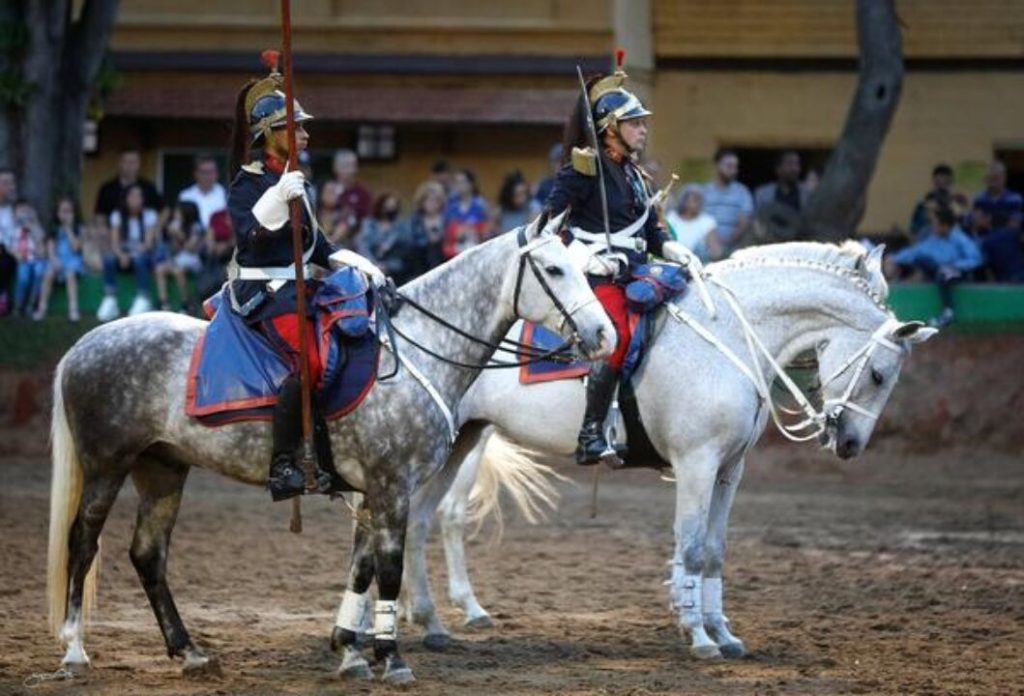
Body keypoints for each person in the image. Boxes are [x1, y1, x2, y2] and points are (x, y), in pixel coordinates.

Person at [227, 56, 383, 501]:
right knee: (311, 361)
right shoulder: (250, 182)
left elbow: (320, 248)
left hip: (302, 286)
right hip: (262, 289)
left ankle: (334, 453)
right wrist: (277, 199)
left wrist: (358, 264)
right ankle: (282, 465)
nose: (305, 134)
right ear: (271, 134)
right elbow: (250, 239)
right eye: (296, 127)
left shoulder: (299, 180)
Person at [545, 64, 695, 466]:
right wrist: (587, 255)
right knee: (616, 338)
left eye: (643, 123)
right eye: (634, 123)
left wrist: (670, 248)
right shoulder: (584, 170)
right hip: (594, 279)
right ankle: (591, 432)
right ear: (610, 127)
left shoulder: (637, 176)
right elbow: (548, 230)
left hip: (634, 272)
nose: (643, 130)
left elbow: (651, 231)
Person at [884, 205, 983, 328]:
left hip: (958, 272)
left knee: (945, 274)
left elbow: (975, 259)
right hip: (939, 270)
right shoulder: (934, 238)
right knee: (921, 260)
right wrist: (895, 258)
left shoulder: (961, 240)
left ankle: (948, 313)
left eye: (936, 224)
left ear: (945, 226)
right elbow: (917, 251)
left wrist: (954, 265)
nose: (933, 227)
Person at [99, 183, 159, 320]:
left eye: (138, 196)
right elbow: (114, 243)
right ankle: (110, 298)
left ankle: (143, 298)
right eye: (132, 195)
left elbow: (148, 244)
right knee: (109, 259)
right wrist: (121, 255)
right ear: (126, 198)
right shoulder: (117, 215)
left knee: (140, 259)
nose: (135, 199)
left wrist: (132, 254)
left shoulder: (150, 215)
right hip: (123, 255)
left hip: (142, 255)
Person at [34, 196, 85, 321]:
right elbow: (51, 249)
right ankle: (42, 307)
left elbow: (76, 247)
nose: (66, 215)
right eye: (63, 211)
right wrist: (54, 260)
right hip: (56, 259)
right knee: (49, 273)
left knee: (70, 274)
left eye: (69, 211)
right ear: (57, 213)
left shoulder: (78, 229)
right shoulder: (53, 229)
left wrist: (68, 228)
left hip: (73, 260)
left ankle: (73, 309)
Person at [93, 148, 165, 230]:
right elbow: (100, 215)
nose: (130, 165)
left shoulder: (148, 187)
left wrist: (156, 228)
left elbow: (165, 210)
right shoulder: (107, 188)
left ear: (138, 164)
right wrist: (103, 230)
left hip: (145, 237)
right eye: (126, 162)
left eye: (134, 162)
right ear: (119, 163)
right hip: (113, 236)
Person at [357, 192, 419, 286]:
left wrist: (388, 266)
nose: (390, 210)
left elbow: (406, 248)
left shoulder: (402, 225)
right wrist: (373, 265)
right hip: (370, 267)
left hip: (396, 270)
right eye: (387, 206)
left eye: (393, 206)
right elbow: (363, 245)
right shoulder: (369, 223)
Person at [702, 148, 753, 260]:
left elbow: (744, 223)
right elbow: (699, 221)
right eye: (729, 166)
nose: (733, 170)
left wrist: (726, 242)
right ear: (717, 165)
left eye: (735, 167)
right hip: (705, 251)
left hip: (732, 251)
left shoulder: (742, 192)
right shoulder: (704, 191)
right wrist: (713, 242)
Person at [154, 201, 204, 313]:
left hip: (192, 259)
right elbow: (174, 249)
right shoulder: (176, 225)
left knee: (178, 271)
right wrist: (172, 235)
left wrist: (178, 234)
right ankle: (164, 302)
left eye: (178, 212)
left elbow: (190, 247)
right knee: (159, 269)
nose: (175, 214)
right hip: (178, 258)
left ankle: (186, 303)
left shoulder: (196, 226)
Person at [318, 148, 372, 243]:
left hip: (355, 238)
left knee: (349, 218)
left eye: (353, 166)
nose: (351, 170)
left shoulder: (362, 192)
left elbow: (367, 220)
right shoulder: (329, 188)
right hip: (328, 228)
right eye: (346, 166)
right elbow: (324, 207)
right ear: (336, 168)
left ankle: (330, 243)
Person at [442, 168, 490, 259]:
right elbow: (446, 233)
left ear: (471, 184)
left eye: (462, 182)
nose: (459, 185)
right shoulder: (450, 206)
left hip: (476, 251)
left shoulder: (481, 205)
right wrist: (458, 232)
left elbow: (487, 231)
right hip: (454, 254)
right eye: (457, 182)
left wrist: (476, 232)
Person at [11, 200, 47, 316]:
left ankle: (30, 306)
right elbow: (11, 245)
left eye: (27, 212)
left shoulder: (36, 228)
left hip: (36, 259)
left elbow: (41, 247)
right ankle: (18, 305)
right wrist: (16, 254)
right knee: (23, 278)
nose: (24, 215)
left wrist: (32, 226)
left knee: (39, 272)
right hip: (22, 260)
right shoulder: (14, 229)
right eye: (21, 212)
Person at [971, 203, 1024, 283]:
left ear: (988, 218)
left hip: (1004, 281)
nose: (975, 220)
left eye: (978, 218)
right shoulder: (1014, 232)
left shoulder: (988, 241)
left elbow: (985, 264)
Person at [403, 180, 447, 276]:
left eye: (436, 201)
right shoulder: (416, 219)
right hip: (421, 259)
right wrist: (428, 239)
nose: (432, 204)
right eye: (428, 200)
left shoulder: (447, 218)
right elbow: (411, 241)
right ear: (422, 202)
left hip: (443, 257)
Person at [665, 185, 719, 261]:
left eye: (700, 200)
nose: (699, 203)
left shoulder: (707, 222)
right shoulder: (671, 217)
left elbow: (716, 251)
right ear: (684, 201)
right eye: (695, 200)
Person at [178, 154, 228, 229]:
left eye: (211, 172)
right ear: (196, 174)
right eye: (204, 172)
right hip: (192, 238)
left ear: (217, 174)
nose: (208, 176)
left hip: (219, 239)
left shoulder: (226, 194)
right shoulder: (185, 196)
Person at [972, 161, 1023, 232]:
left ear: (1004, 178)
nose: (993, 183)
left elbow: (1014, 225)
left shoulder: (1015, 199)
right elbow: (977, 223)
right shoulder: (979, 198)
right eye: (990, 179)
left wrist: (991, 221)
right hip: (983, 239)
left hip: (1006, 240)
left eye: (996, 178)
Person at [908, 164, 955, 238]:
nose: (941, 184)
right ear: (934, 181)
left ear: (950, 182)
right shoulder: (923, 203)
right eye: (939, 181)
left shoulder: (954, 203)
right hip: (926, 238)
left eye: (945, 181)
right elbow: (913, 227)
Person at [0, 168, 17, 315]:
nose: (11, 187)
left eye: (12, 183)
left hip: (16, 252)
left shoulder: (16, 209)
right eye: (6, 183)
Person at [495, 170, 533, 235]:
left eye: (524, 193)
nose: (523, 198)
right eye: (518, 195)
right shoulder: (500, 211)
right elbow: (494, 231)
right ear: (509, 195)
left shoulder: (531, 209)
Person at [531, 143, 564, 213]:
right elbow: (535, 207)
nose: (560, 165)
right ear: (552, 163)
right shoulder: (545, 185)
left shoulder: (573, 183)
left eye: (563, 162)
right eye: (557, 162)